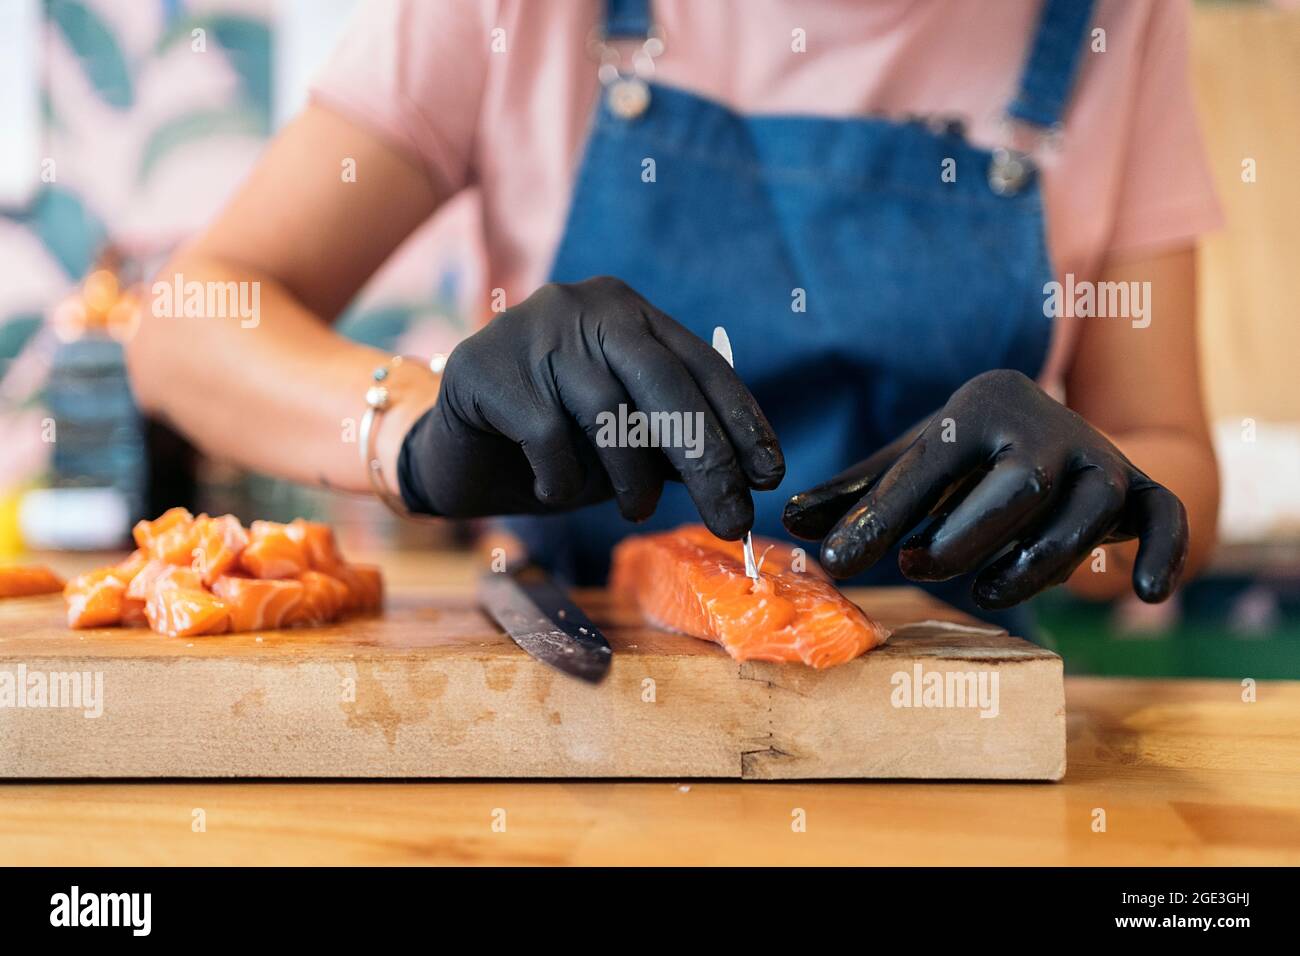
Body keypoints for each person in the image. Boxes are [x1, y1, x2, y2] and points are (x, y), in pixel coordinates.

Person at [126, 0, 1222, 628]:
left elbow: (1177, 468)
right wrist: (417, 434)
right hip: (572, 687)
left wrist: (1086, 498)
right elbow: (186, 321)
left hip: (954, 728)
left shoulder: (1115, 23)